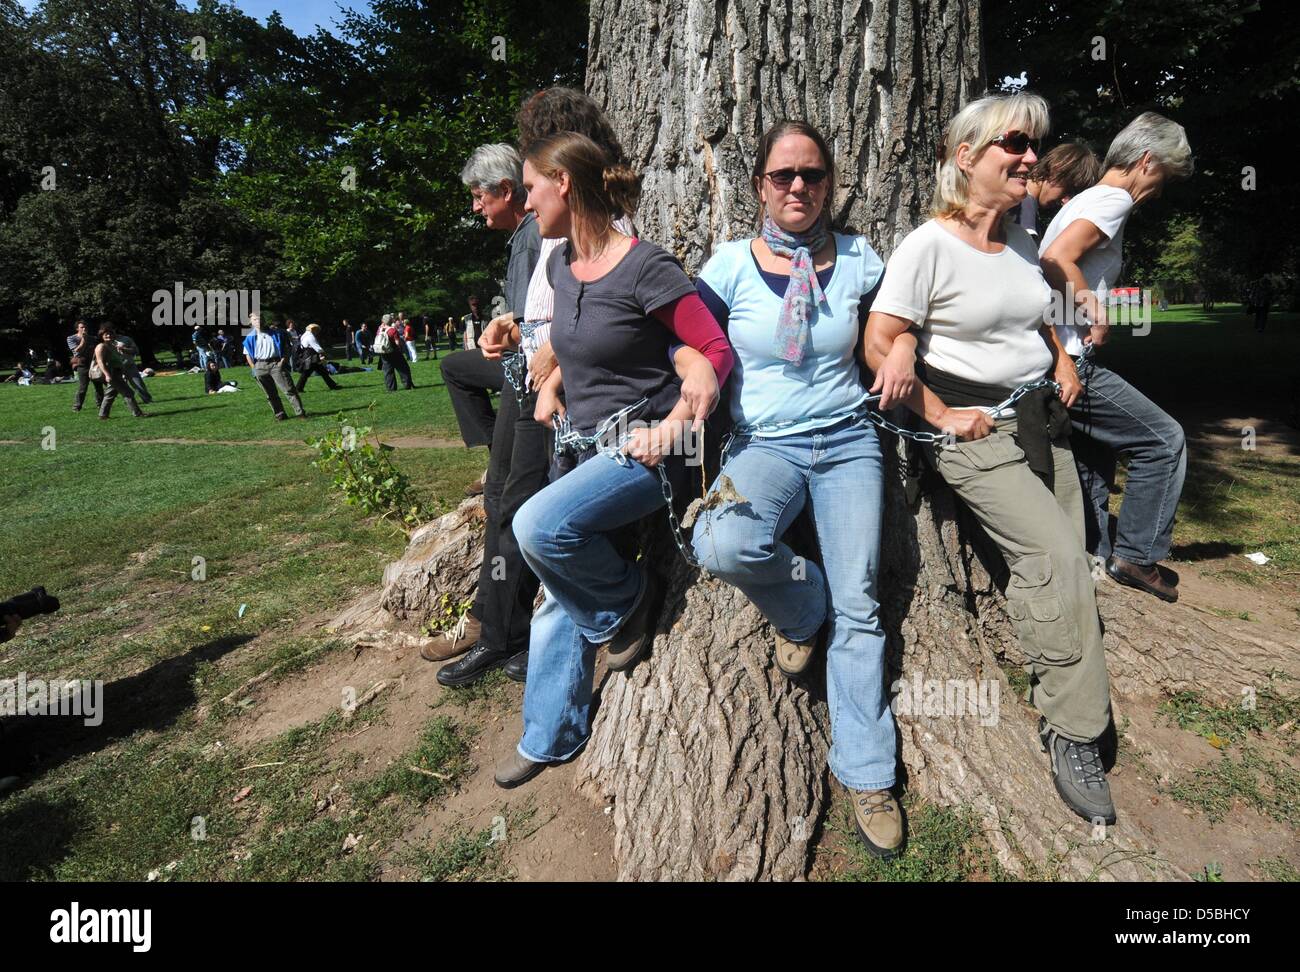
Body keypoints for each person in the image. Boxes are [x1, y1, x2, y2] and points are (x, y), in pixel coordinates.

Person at [864, 91, 1117, 826]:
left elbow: (1036, 317)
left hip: (1041, 420)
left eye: (1036, 145)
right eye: (1015, 143)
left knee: (1073, 552)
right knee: (1057, 560)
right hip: (977, 438)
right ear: (965, 156)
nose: (1031, 157)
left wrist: (1060, 362)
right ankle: (1073, 731)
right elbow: (881, 343)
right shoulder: (927, 246)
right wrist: (942, 415)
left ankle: (1061, 672)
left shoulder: (1020, 244)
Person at [684, 120, 907, 858]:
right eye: (783, 176)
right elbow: (689, 339)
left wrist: (902, 343)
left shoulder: (860, 258)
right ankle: (802, 612)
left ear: (829, 183)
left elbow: (895, 325)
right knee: (719, 539)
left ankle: (869, 775)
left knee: (864, 604)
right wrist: (690, 377)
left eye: (812, 174)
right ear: (759, 187)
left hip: (848, 444)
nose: (799, 188)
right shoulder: (726, 267)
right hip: (765, 446)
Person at [493, 131, 732, 790]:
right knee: (554, 581)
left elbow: (713, 350)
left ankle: (631, 594)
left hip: (651, 447)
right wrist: (550, 384)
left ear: (562, 184)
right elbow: (580, 346)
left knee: (538, 528)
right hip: (583, 445)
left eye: (531, 186)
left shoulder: (644, 265)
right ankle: (552, 732)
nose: (526, 200)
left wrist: (678, 424)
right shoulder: (560, 264)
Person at [1039, 111, 1193, 603]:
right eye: (1162, 179)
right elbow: (1056, 257)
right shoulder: (1112, 200)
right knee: (1164, 442)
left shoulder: (1085, 198)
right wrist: (1093, 309)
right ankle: (1137, 556)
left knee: (1093, 462)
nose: (1158, 192)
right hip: (1070, 361)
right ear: (1146, 161)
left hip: (1053, 356)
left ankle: (1097, 556)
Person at [1011, 141, 1102, 239]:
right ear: (1056, 171)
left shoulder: (1021, 202)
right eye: (1068, 190)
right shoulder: (1024, 209)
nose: (1065, 201)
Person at [243, 313, 307, 420]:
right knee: (270, 394)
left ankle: (300, 413)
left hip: (276, 364)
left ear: (263, 320)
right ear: (251, 322)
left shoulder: (276, 333)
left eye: (260, 319)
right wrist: (254, 367)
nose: (258, 321)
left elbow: (287, 348)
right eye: (255, 319)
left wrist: (282, 361)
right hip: (259, 366)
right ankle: (280, 414)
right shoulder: (249, 337)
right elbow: (247, 354)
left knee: (289, 390)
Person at [93, 325, 146, 419]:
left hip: (116, 372)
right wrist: (107, 375)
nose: (108, 335)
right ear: (101, 336)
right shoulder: (101, 346)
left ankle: (102, 415)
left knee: (110, 394)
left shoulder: (112, 345)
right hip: (111, 373)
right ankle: (138, 413)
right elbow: (100, 362)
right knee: (128, 392)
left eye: (110, 333)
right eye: (106, 334)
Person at [295, 323, 341, 392]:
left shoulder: (304, 335)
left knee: (322, 372)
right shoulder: (310, 336)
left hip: (309, 357)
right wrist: (325, 354)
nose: (317, 332)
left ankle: (332, 385)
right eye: (316, 330)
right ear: (312, 329)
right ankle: (298, 388)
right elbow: (317, 348)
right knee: (306, 374)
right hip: (311, 357)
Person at [68, 320, 103, 412]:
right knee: (83, 387)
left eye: (85, 327)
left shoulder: (93, 338)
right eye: (82, 327)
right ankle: (77, 407)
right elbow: (77, 351)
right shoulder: (71, 338)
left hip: (93, 364)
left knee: (98, 386)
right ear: (77, 329)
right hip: (82, 364)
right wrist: (84, 339)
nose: (84, 329)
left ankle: (101, 405)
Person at [374, 313, 414, 391]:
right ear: (391, 320)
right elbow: (397, 343)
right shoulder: (392, 330)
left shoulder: (379, 329)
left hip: (383, 353)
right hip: (394, 352)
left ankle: (391, 388)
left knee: (388, 371)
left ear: (383, 320)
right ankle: (407, 385)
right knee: (403, 369)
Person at [114, 331, 153, 404]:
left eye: (111, 331)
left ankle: (147, 399)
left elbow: (135, 350)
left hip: (129, 365)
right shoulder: (105, 341)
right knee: (118, 387)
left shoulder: (126, 339)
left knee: (138, 384)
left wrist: (124, 349)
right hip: (116, 367)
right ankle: (128, 401)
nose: (110, 334)